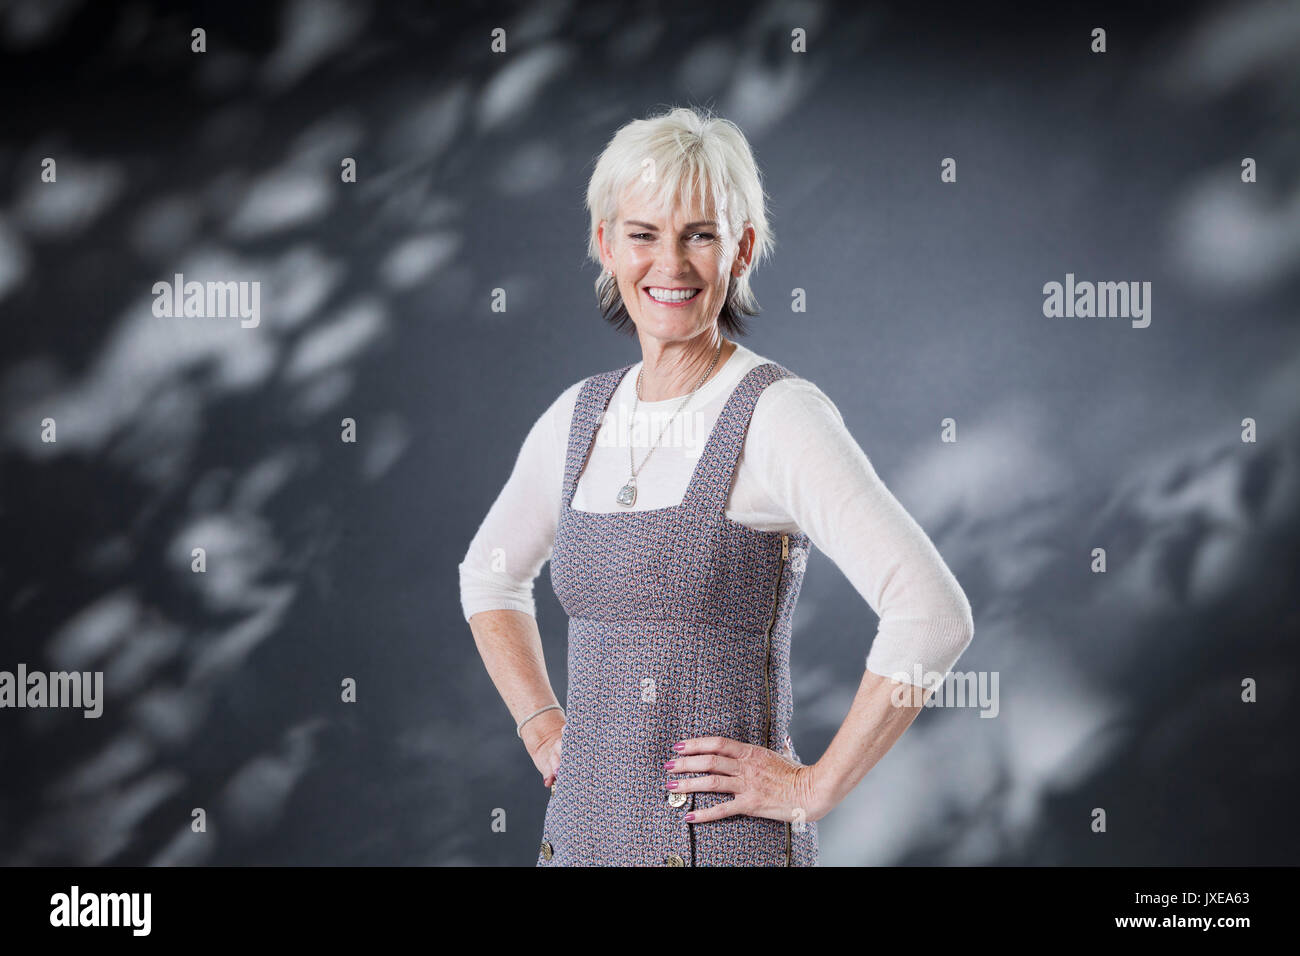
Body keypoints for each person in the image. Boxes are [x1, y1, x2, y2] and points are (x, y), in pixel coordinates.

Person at [459, 105, 974, 866]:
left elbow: (933, 614)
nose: (670, 264)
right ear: (606, 244)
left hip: (716, 849)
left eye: (700, 234)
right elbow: (488, 580)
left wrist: (813, 788)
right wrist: (541, 722)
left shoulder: (776, 414)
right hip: (578, 844)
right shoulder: (578, 417)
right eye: (643, 234)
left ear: (743, 249)